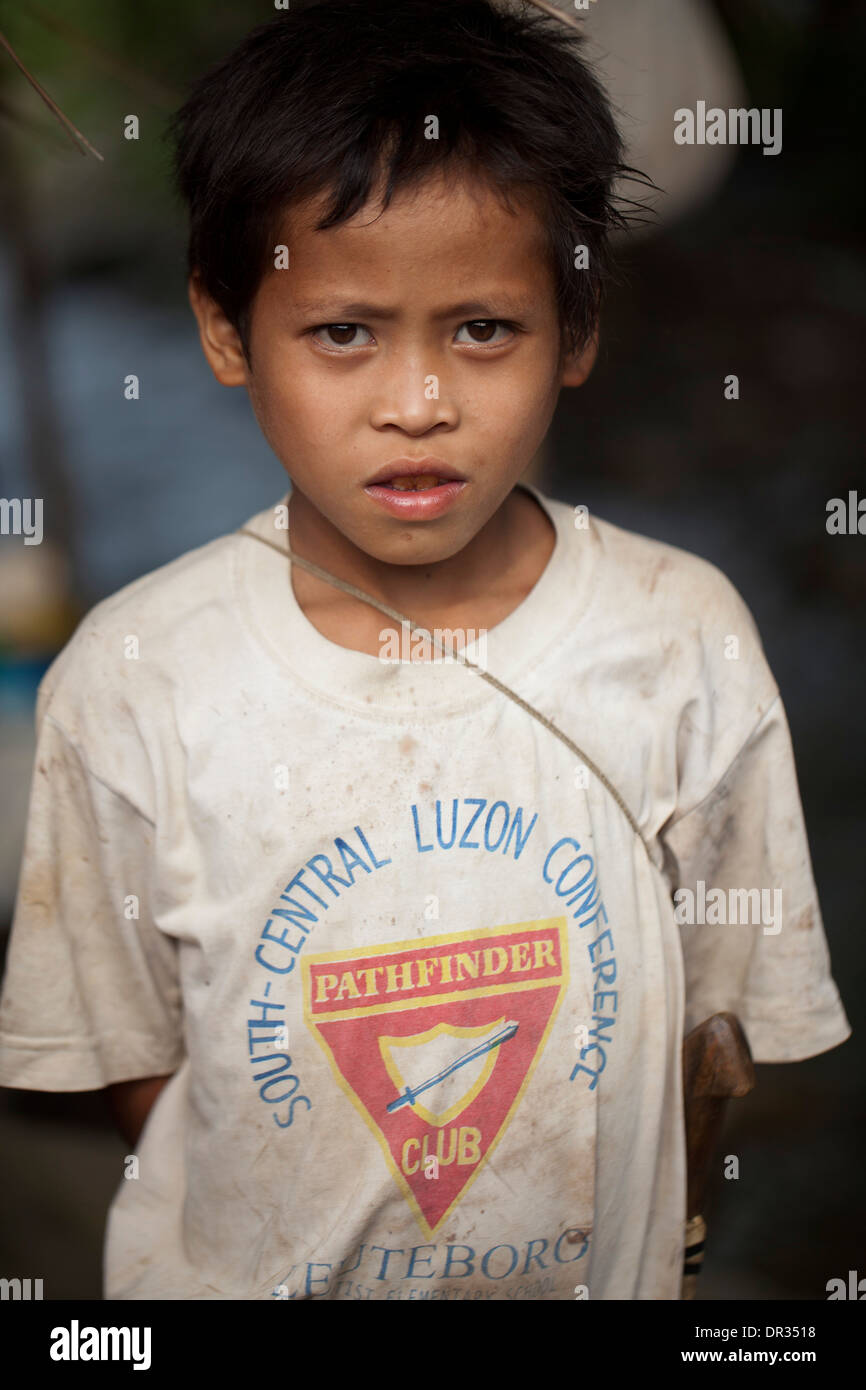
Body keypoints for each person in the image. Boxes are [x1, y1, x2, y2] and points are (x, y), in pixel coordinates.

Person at [0, 0, 850, 1301]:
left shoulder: (682, 640)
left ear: (574, 332)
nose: (415, 404)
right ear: (226, 331)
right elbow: (136, 1053)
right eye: (341, 332)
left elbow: (707, 1042)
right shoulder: (130, 679)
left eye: (483, 330)